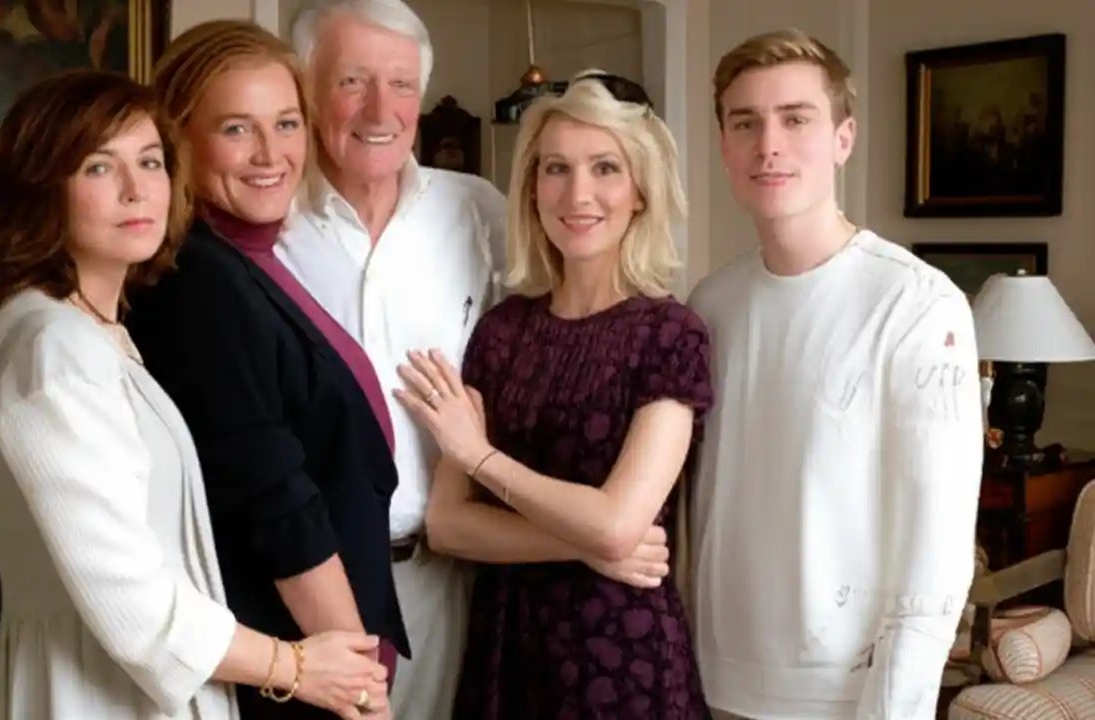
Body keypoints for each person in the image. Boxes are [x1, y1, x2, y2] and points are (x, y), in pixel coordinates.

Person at [0, 69, 389, 720]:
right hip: (95, 694)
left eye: (151, 161)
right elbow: (132, 600)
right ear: (42, 187)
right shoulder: (54, 351)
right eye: (99, 168)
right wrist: (298, 667)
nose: (138, 190)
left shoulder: (93, 331)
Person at [394, 72, 711, 719]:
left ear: (640, 191)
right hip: (507, 646)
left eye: (605, 168)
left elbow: (621, 521)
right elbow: (450, 526)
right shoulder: (502, 330)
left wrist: (478, 457)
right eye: (556, 169)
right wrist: (586, 541)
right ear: (532, 188)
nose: (578, 193)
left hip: (618, 654)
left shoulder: (670, 333)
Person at [687, 28, 983, 719]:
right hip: (711, 676)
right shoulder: (710, 304)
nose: (769, 145)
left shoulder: (916, 303)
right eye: (746, 122)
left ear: (843, 138)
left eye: (796, 119)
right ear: (724, 144)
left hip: (843, 695)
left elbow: (935, 553)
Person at [123, 20, 405, 719]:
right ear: (177, 140)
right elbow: (272, 498)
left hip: (325, 642)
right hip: (301, 655)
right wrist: (361, 687)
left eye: (285, 124)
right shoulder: (199, 279)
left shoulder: (257, 258)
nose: (270, 154)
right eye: (236, 130)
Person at [279, 2, 506, 715]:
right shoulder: (267, 221)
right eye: (352, 80)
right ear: (309, 91)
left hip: (445, 580)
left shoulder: (480, 213)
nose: (381, 108)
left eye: (402, 84)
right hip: (301, 588)